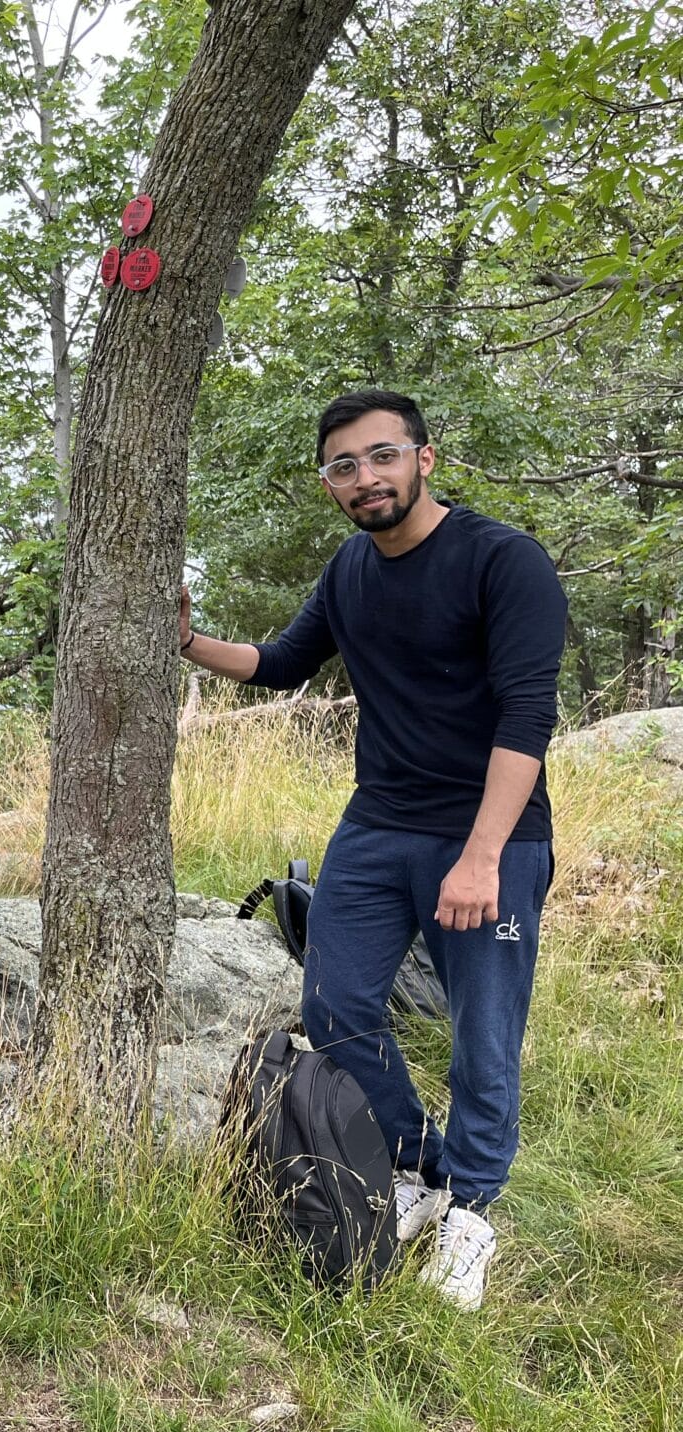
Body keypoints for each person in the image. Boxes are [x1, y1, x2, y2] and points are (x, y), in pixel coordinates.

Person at [178, 389, 566, 1311]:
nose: (365, 479)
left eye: (382, 457)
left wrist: (480, 858)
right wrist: (183, 639)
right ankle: (415, 1168)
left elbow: (528, 717)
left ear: (424, 459)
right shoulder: (352, 569)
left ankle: (470, 1213)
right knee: (337, 1002)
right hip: (376, 826)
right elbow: (280, 664)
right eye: (344, 467)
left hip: (491, 836)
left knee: (483, 1035)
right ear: (330, 484)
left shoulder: (500, 561)